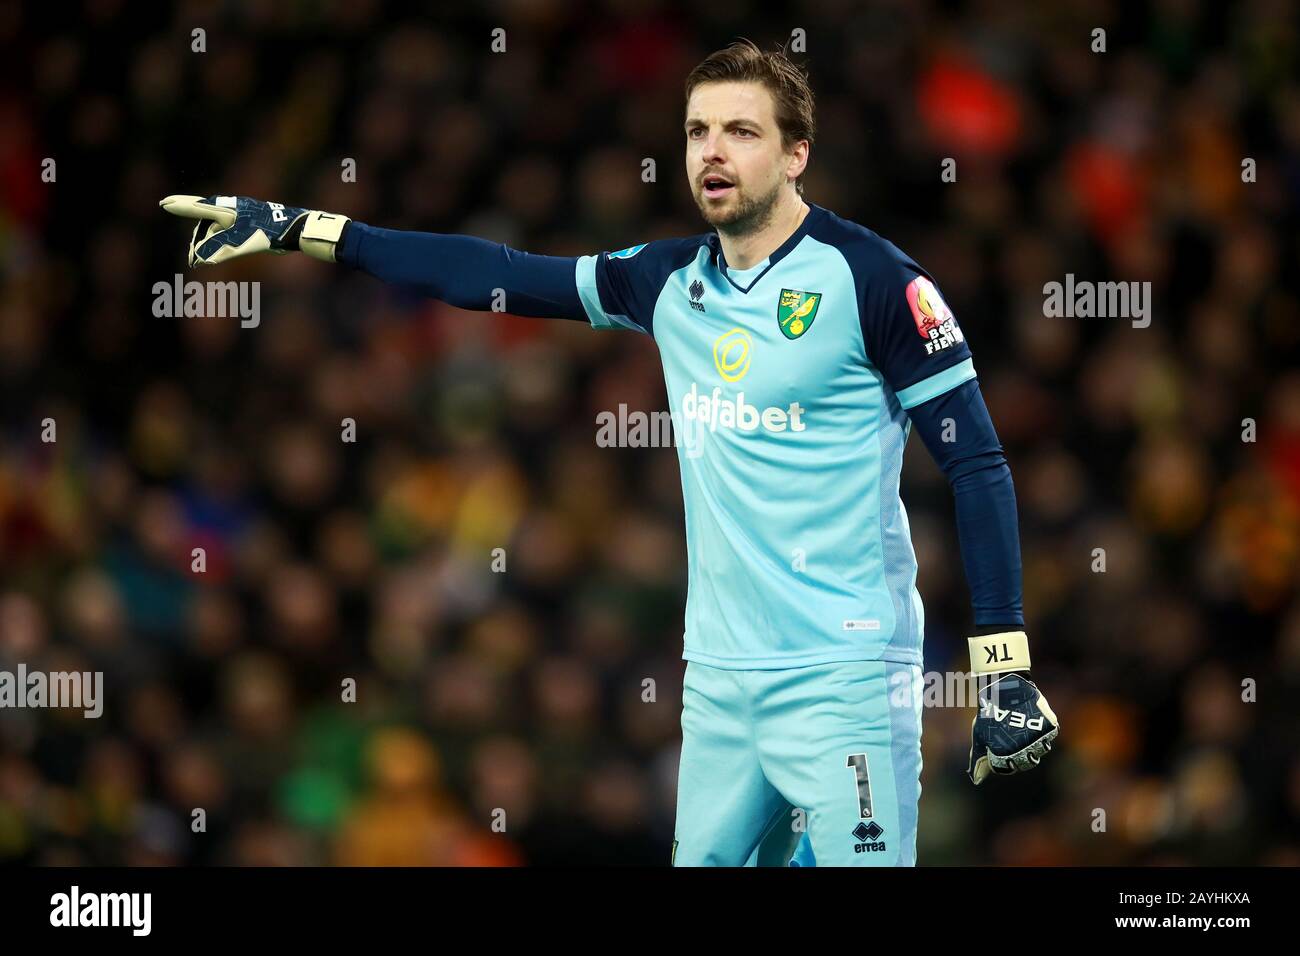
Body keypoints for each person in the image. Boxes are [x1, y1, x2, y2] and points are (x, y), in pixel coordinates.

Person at [161, 38, 1057, 867]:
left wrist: (1002, 664)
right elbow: (499, 275)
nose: (712, 151)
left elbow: (976, 464)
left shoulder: (875, 281)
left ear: (796, 154)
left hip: (845, 676)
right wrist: (309, 230)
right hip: (719, 681)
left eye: (742, 131)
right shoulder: (668, 280)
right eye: (698, 131)